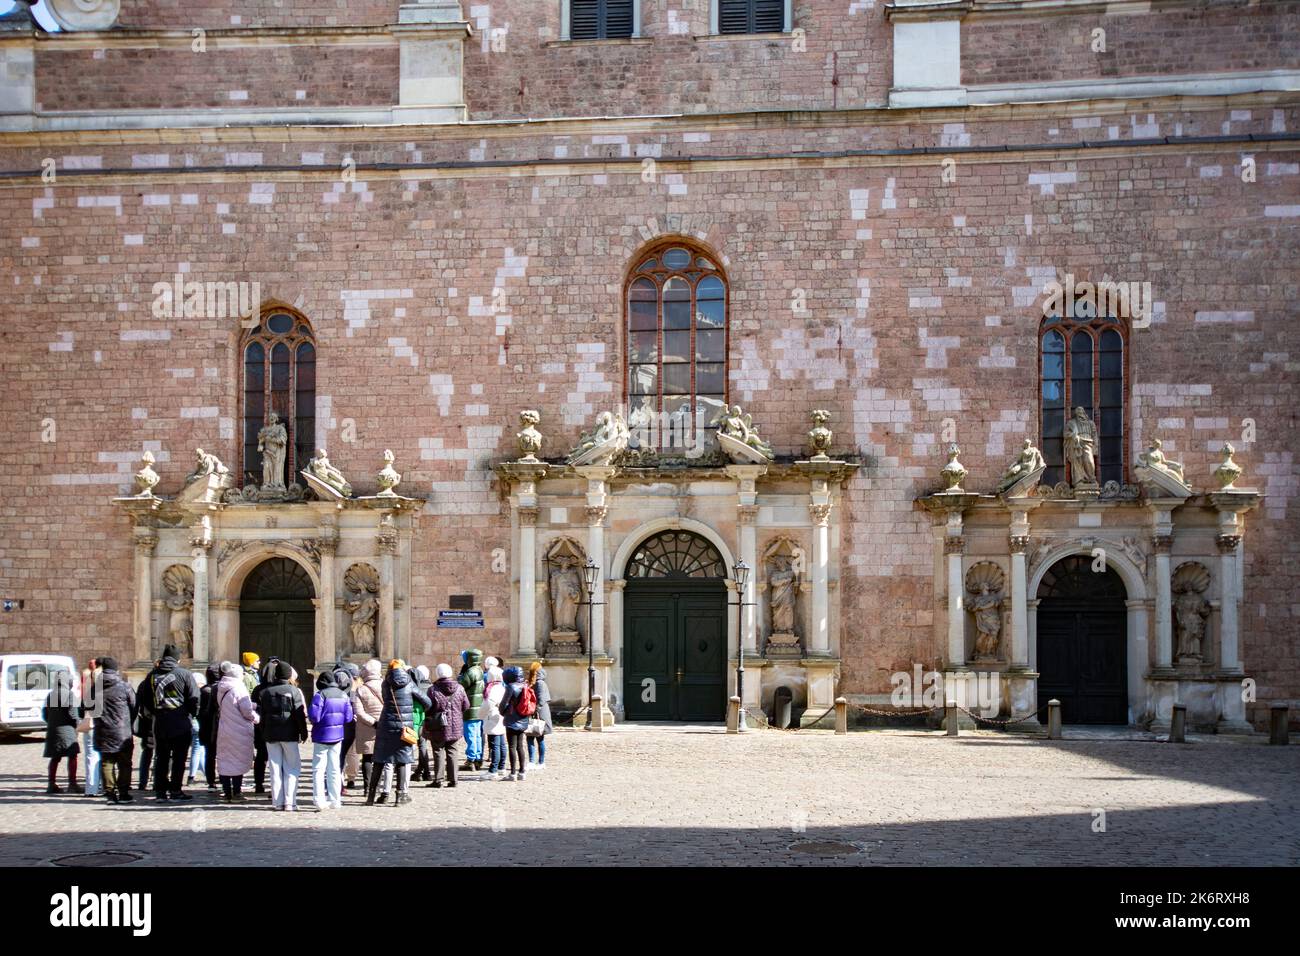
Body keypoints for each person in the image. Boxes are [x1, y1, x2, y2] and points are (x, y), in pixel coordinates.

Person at [141, 643, 200, 801]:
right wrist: (191, 715)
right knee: (179, 759)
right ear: (177, 660)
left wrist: (155, 712)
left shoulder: (152, 675)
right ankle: (175, 790)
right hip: (180, 722)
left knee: (161, 758)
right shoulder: (185, 674)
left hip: (160, 722)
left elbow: (145, 698)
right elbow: (195, 699)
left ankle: (160, 792)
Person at [368, 659, 430, 806]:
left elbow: (385, 699)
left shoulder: (385, 683)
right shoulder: (409, 683)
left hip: (386, 724)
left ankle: (372, 796)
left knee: (380, 759)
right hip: (404, 725)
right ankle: (400, 796)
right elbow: (427, 701)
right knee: (402, 759)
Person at [261, 661, 308, 811]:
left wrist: (264, 732)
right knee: (292, 767)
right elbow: (299, 714)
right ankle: (290, 802)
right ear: (289, 675)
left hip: (271, 734)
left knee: (275, 768)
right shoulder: (294, 691)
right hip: (290, 734)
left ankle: (277, 802)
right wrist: (304, 732)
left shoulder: (266, 692)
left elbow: (262, 716)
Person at [308, 669, 354, 811]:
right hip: (337, 736)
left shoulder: (320, 695)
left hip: (321, 735)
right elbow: (348, 717)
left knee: (318, 769)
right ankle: (335, 800)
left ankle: (319, 800)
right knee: (334, 769)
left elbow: (314, 717)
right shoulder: (343, 695)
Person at [93, 658, 137, 804]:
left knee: (107, 762)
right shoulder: (124, 686)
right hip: (122, 730)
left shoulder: (95, 688)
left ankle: (110, 794)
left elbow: (84, 708)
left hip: (102, 730)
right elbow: (134, 706)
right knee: (125, 763)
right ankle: (124, 793)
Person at [215, 662, 259, 803]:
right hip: (239, 729)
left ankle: (227, 792)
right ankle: (237, 792)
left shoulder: (221, 687)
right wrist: (256, 717)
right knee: (237, 761)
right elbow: (246, 711)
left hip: (225, 727)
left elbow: (230, 704)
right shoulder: (239, 687)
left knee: (226, 760)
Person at [423, 663, 470, 788]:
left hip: (438, 725)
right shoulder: (460, 688)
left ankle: (438, 780)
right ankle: (453, 779)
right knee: (453, 750)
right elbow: (466, 706)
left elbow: (427, 708)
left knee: (438, 750)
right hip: (455, 725)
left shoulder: (432, 690)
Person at [43, 670, 82, 794]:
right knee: (72, 756)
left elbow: (45, 714)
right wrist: (78, 725)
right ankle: (72, 784)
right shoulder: (69, 695)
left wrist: (52, 722)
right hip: (67, 730)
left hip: (53, 730)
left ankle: (51, 784)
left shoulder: (51, 694)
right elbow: (73, 714)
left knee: (55, 758)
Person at [352, 659, 384, 798]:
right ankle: (378, 787)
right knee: (381, 758)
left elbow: (359, 712)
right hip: (384, 726)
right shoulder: (386, 686)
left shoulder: (361, 689)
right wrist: (382, 722)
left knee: (367, 758)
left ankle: (368, 788)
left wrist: (373, 722)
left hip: (367, 728)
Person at [498, 665, 533, 782]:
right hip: (523, 719)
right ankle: (522, 771)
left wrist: (504, 713)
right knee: (520, 746)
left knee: (512, 747)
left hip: (512, 720)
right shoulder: (525, 685)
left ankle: (512, 773)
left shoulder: (511, 687)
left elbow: (503, 704)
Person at [250, 657, 279, 794]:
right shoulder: (279, 689)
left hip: (260, 727)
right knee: (277, 757)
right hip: (275, 727)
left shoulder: (257, 690)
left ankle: (259, 783)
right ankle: (276, 785)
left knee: (261, 757)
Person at [334, 660, 360, 792]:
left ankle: (339, 782)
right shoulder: (356, 689)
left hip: (338, 726)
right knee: (353, 753)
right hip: (352, 725)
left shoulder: (333, 692)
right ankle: (351, 778)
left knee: (339, 755)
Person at [458, 648, 485, 771]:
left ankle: (471, 760)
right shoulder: (479, 669)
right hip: (478, 707)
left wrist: (460, 677)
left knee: (470, 735)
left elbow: (460, 686)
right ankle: (478, 758)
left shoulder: (471, 672)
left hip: (471, 709)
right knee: (477, 735)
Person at [196, 663, 221, 790]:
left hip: (206, 726)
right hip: (219, 726)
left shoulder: (203, 690)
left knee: (209, 755)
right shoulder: (221, 689)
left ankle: (211, 781)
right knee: (222, 754)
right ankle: (223, 777)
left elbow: (198, 710)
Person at [480, 664, 507, 780]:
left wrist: (480, 715)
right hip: (501, 718)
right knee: (501, 744)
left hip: (493, 718)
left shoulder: (492, 689)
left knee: (495, 745)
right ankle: (501, 767)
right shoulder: (502, 687)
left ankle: (493, 770)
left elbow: (487, 705)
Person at [79, 659, 101, 797]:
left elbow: (81, 710)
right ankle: (106, 787)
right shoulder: (104, 691)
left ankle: (91, 788)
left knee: (91, 757)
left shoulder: (89, 692)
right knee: (104, 758)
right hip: (101, 725)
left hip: (91, 726)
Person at [133, 665, 156, 792]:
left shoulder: (143, 684)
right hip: (158, 721)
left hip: (147, 722)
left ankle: (143, 782)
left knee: (147, 753)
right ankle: (157, 780)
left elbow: (138, 704)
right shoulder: (160, 682)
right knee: (162, 754)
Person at [526, 662, 552, 772]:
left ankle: (541, 762)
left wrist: (534, 710)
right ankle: (532, 761)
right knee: (530, 737)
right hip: (533, 712)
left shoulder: (540, 683)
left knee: (539, 738)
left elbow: (541, 700)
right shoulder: (533, 682)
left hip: (539, 714)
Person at [411, 664, 433, 782]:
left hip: (417, 719)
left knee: (416, 746)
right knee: (422, 746)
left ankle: (423, 772)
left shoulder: (414, 687)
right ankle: (424, 772)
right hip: (427, 719)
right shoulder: (431, 687)